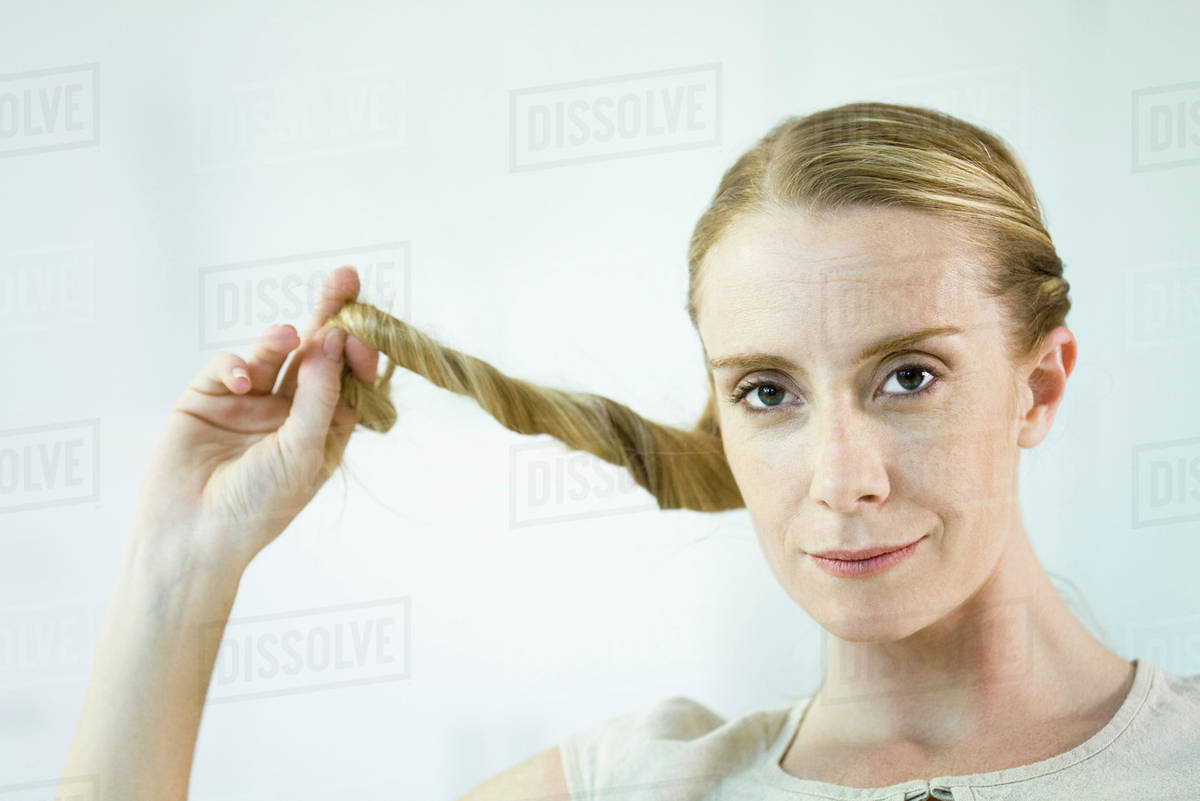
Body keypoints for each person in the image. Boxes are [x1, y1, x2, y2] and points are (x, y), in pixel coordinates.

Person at [58, 103, 1200, 801]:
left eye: (908, 377)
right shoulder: (636, 787)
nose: (842, 477)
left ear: (1038, 384)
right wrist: (182, 563)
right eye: (768, 392)